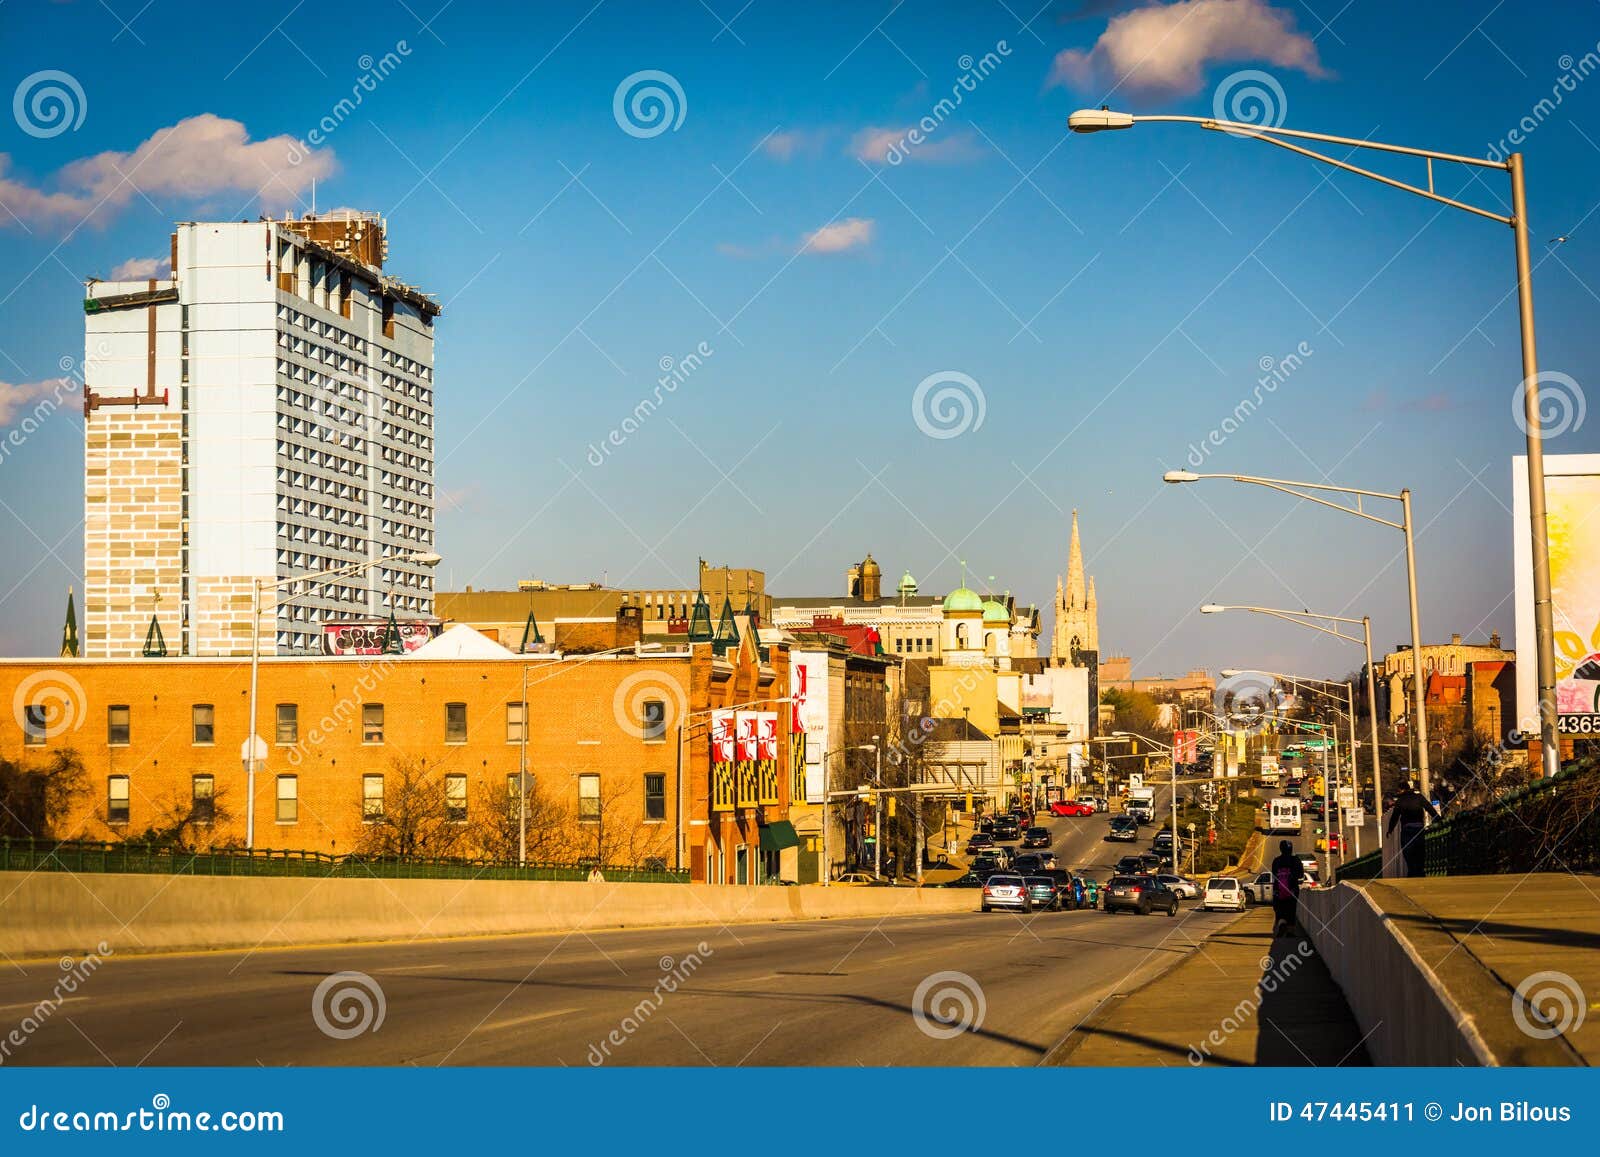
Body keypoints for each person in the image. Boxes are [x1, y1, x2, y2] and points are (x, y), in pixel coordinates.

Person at [1386, 780, 1440, 877]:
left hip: (1407, 829)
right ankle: (1420, 871)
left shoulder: (1400, 801)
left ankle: (1412, 871)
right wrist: (1439, 820)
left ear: (1402, 790)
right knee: (1420, 851)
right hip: (1419, 828)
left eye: (1399, 791)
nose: (1398, 793)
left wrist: (1390, 830)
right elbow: (1430, 808)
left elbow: (1394, 817)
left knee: (1408, 852)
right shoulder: (1418, 797)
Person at [1269, 839, 1305, 937]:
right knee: (1291, 911)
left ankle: (1281, 923)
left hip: (1278, 890)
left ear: (1280, 849)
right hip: (1292, 890)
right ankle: (1290, 931)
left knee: (1280, 910)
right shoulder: (1296, 860)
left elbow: (1274, 874)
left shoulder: (1276, 861)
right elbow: (1301, 875)